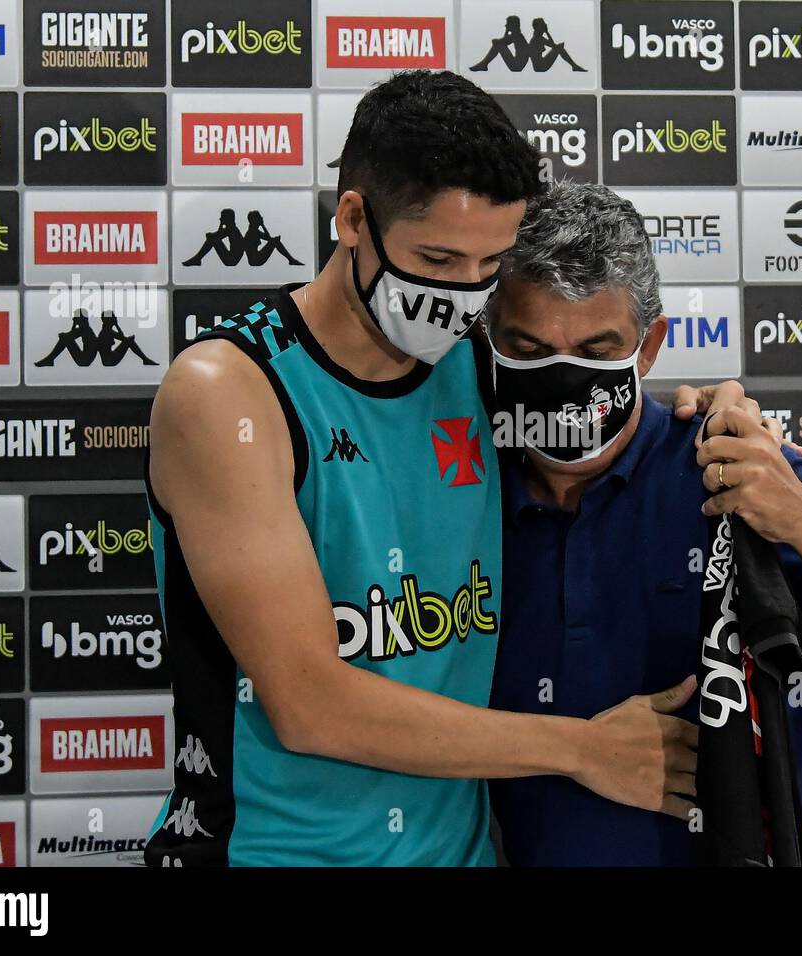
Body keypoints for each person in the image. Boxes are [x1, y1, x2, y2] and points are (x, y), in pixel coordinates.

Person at [142, 70, 699, 867]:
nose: (461, 294)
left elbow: (614, 405)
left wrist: (724, 418)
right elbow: (309, 706)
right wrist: (583, 749)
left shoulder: (487, 360)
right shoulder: (228, 390)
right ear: (353, 219)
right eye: (436, 259)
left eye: (488, 268)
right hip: (271, 856)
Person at [483, 180, 802, 866]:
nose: (564, 377)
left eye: (595, 350)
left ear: (648, 349)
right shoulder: (459, 497)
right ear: (488, 340)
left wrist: (801, 517)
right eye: (529, 352)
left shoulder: (726, 461)